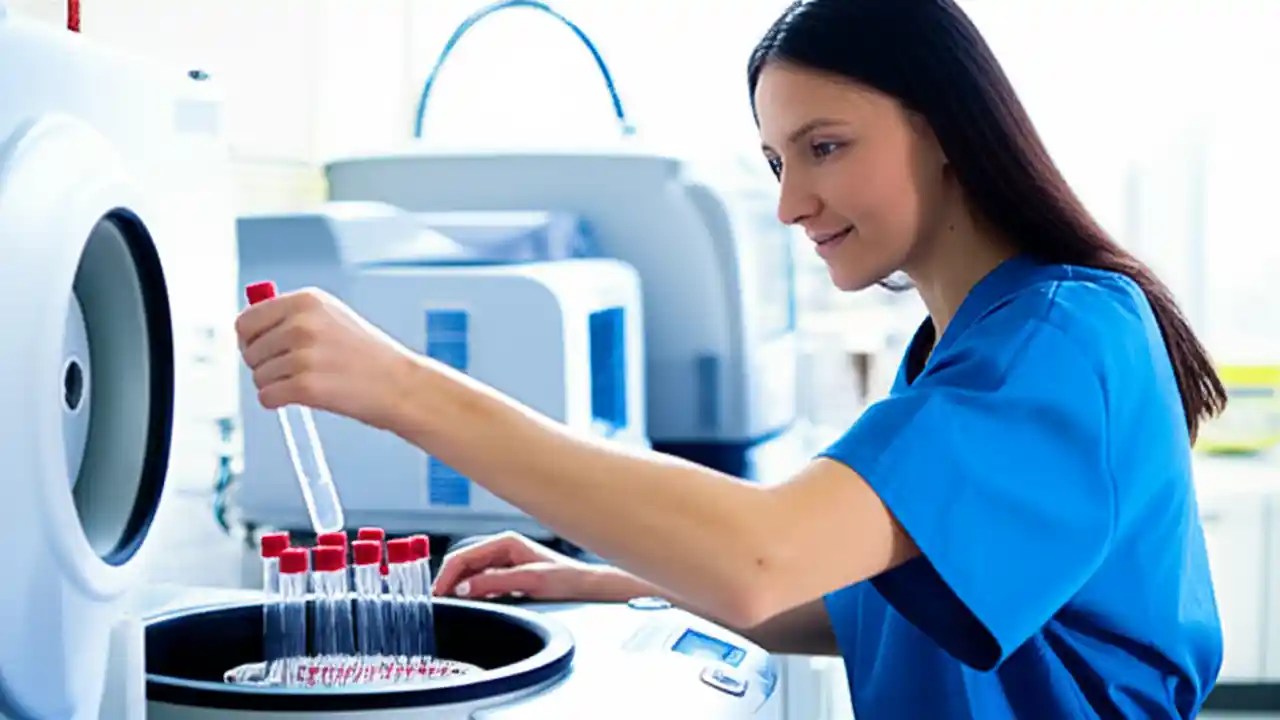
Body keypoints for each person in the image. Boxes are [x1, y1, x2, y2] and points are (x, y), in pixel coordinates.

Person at [235, 0, 1227, 716]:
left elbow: (761, 557)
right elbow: (870, 608)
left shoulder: (1055, 342)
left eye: (824, 147)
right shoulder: (960, 345)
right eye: (774, 163)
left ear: (943, 129)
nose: (790, 201)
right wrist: (600, 579)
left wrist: (398, 386)